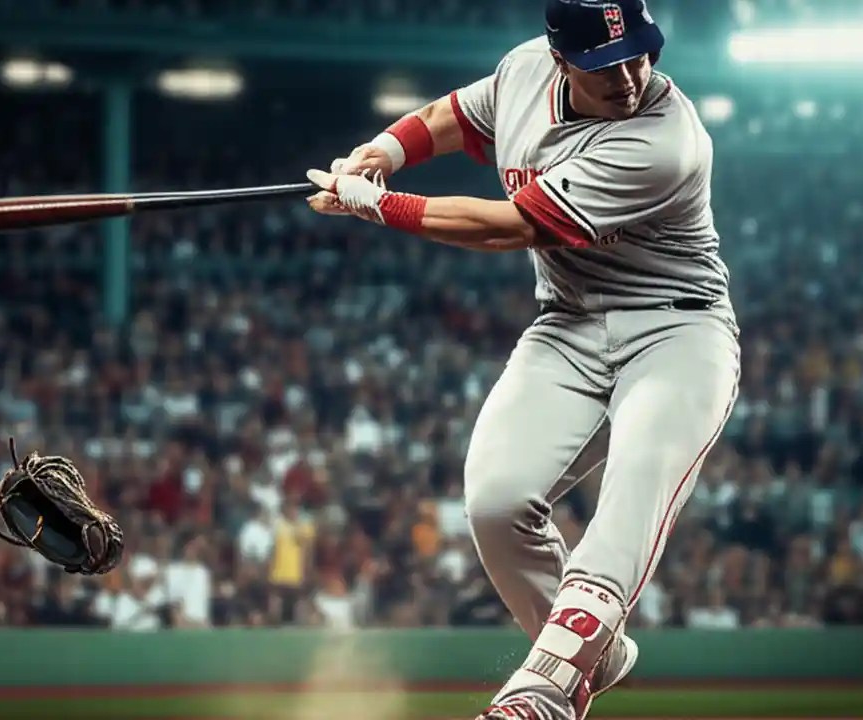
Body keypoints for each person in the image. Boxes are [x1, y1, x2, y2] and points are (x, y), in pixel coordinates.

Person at [305, 1, 740, 718]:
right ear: (562, 58)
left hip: (677, 334)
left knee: (635, 485)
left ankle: (551, 685)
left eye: (638, 52)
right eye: (606, 64)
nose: (629, 74)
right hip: (567, 326)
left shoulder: (665, 139)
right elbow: (455, 116)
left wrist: (378, 205)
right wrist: (384, 151)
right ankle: (599, 649)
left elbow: (509, 229)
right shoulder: (522, 71)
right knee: (497, 503)